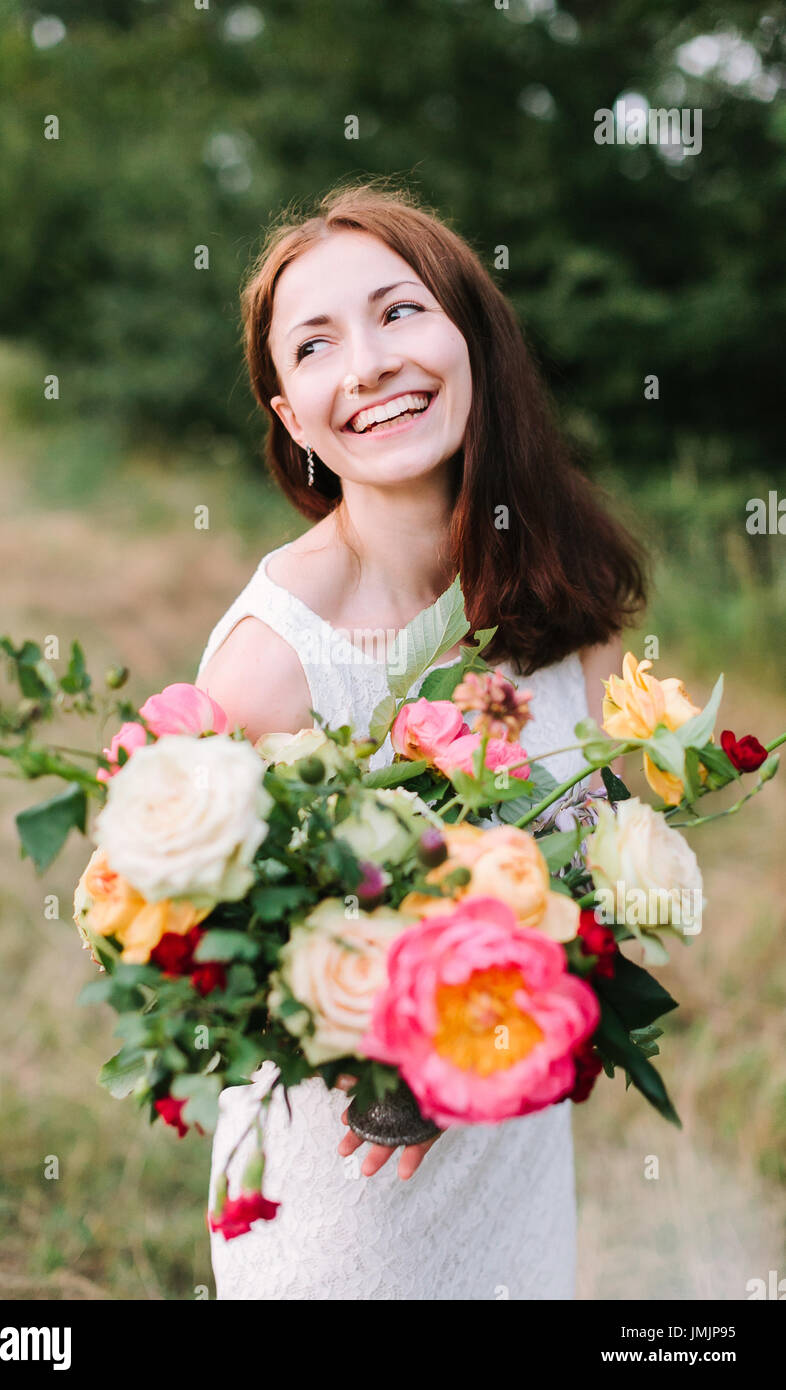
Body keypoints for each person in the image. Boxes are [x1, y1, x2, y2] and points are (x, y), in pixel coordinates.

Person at [195, 179, 647, 1300]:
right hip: (346, 1191)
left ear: (472, 342)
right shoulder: (271, 661)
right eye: (315, 345)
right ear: (292, 418)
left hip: (513, 1155)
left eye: (398, 312)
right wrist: (392, 1060)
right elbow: (206, 959)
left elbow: (607, 868)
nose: (367, 364)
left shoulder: (559, 593)